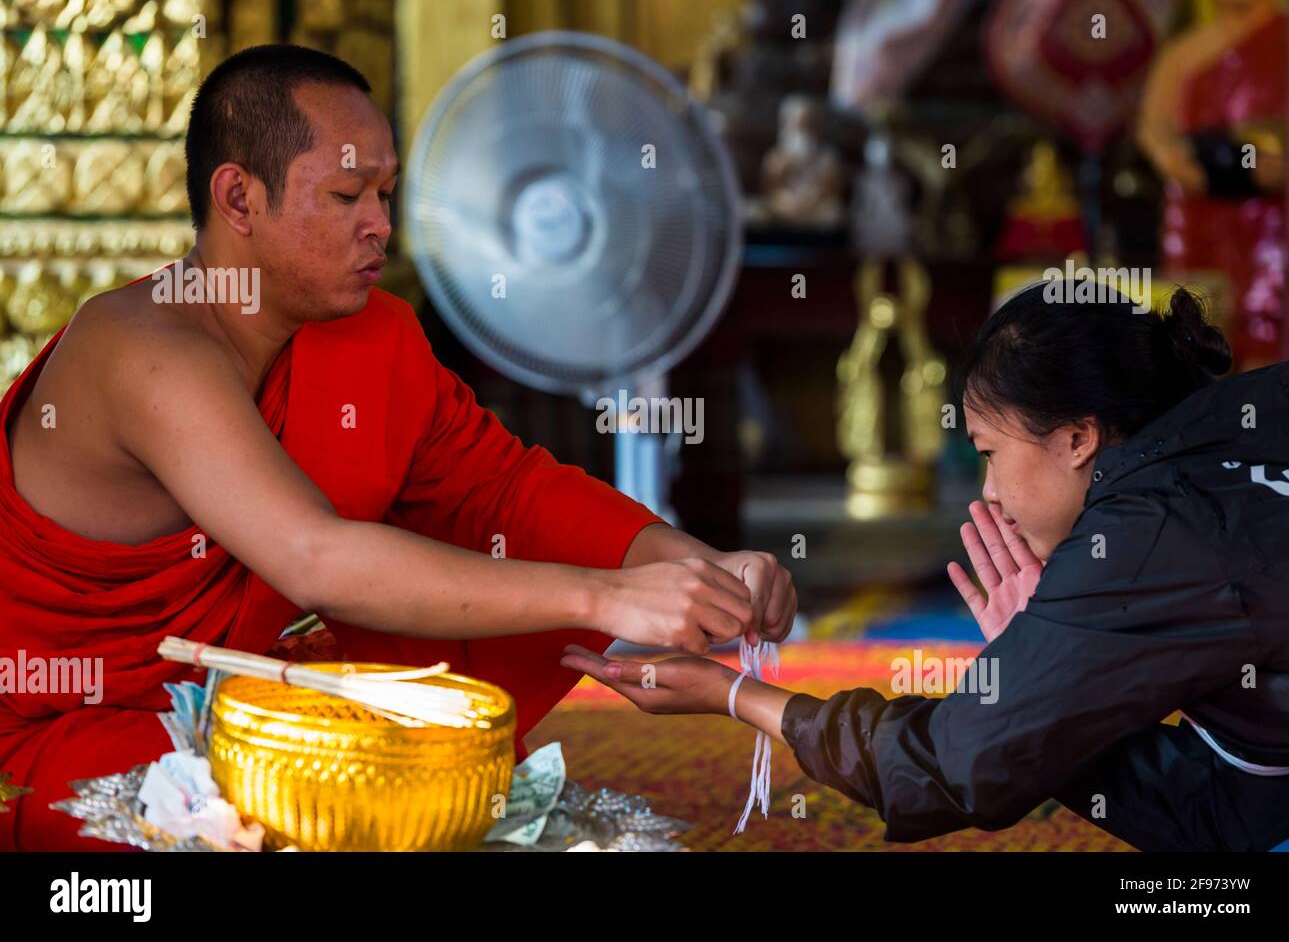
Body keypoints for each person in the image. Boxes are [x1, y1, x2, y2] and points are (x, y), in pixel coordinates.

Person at [0, 44, 796, 850]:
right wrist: (607, 597)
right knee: (285, 814)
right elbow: (318, 558)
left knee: (421, 752)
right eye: (347, 194)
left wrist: (692, 567)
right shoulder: (141, 346)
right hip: (75, 722)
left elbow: (503, 492)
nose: (381, 223)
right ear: (238, 196)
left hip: (245, 694)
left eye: (386, 192)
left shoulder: (371, 336)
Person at [564, 281, 1289, 851]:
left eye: (988, 452)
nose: (990, 491)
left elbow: (953, 766)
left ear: (1078, 437)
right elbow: (1231, 813)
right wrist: (1053, 687)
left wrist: (733, 694)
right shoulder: (1263, 405)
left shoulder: (1151, 531)